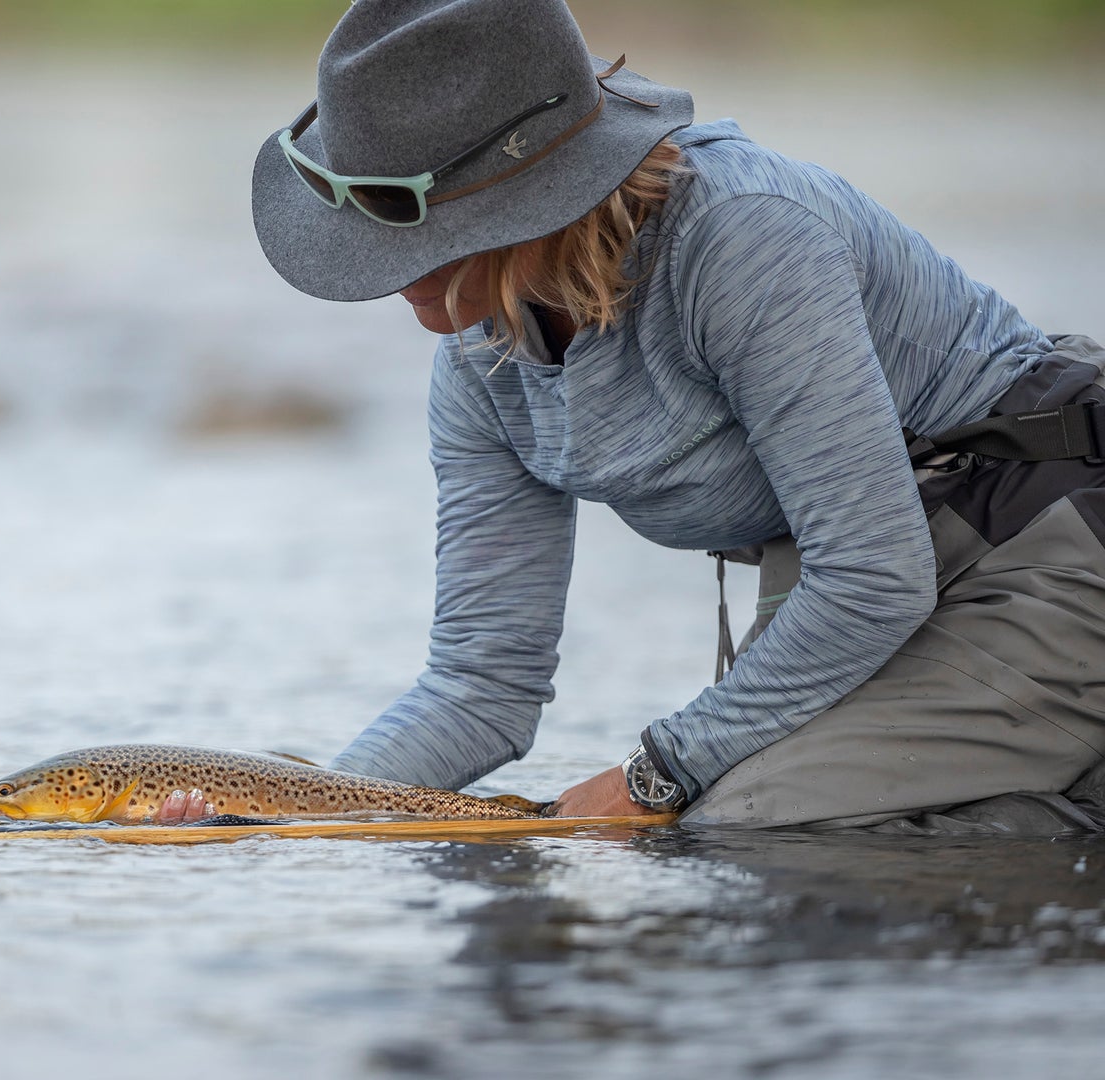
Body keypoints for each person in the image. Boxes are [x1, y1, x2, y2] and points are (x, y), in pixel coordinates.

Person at [156, 0, 1105, 831]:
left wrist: (656, 773)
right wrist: (281, 813)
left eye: (403, 231)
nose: (379, 275)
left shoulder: (743, 238)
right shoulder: (479, 364)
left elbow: (872, 577)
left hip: (1046, 529)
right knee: (717, 818)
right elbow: (481, 689)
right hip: (872, 575)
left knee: (736, 826)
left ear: (526, 203)